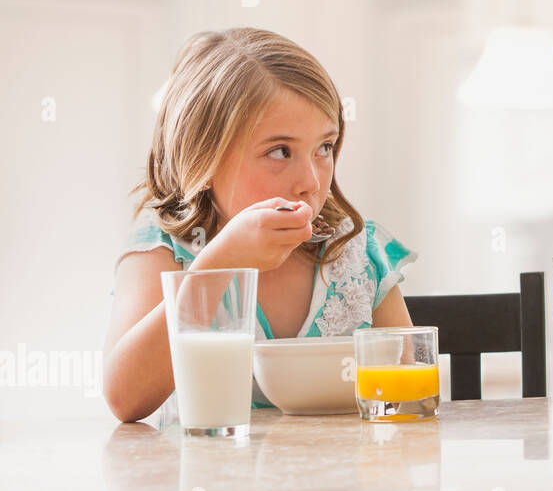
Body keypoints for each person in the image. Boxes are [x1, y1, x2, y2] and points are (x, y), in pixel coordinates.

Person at [104, 28, 417, 422]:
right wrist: (220, 263)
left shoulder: (358, 252)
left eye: (324, 148)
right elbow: (125, 399)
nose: (311, 181)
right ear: (205, 159)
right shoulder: (163, 252)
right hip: (206, 479)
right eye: (280, 151)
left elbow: (407, 398)